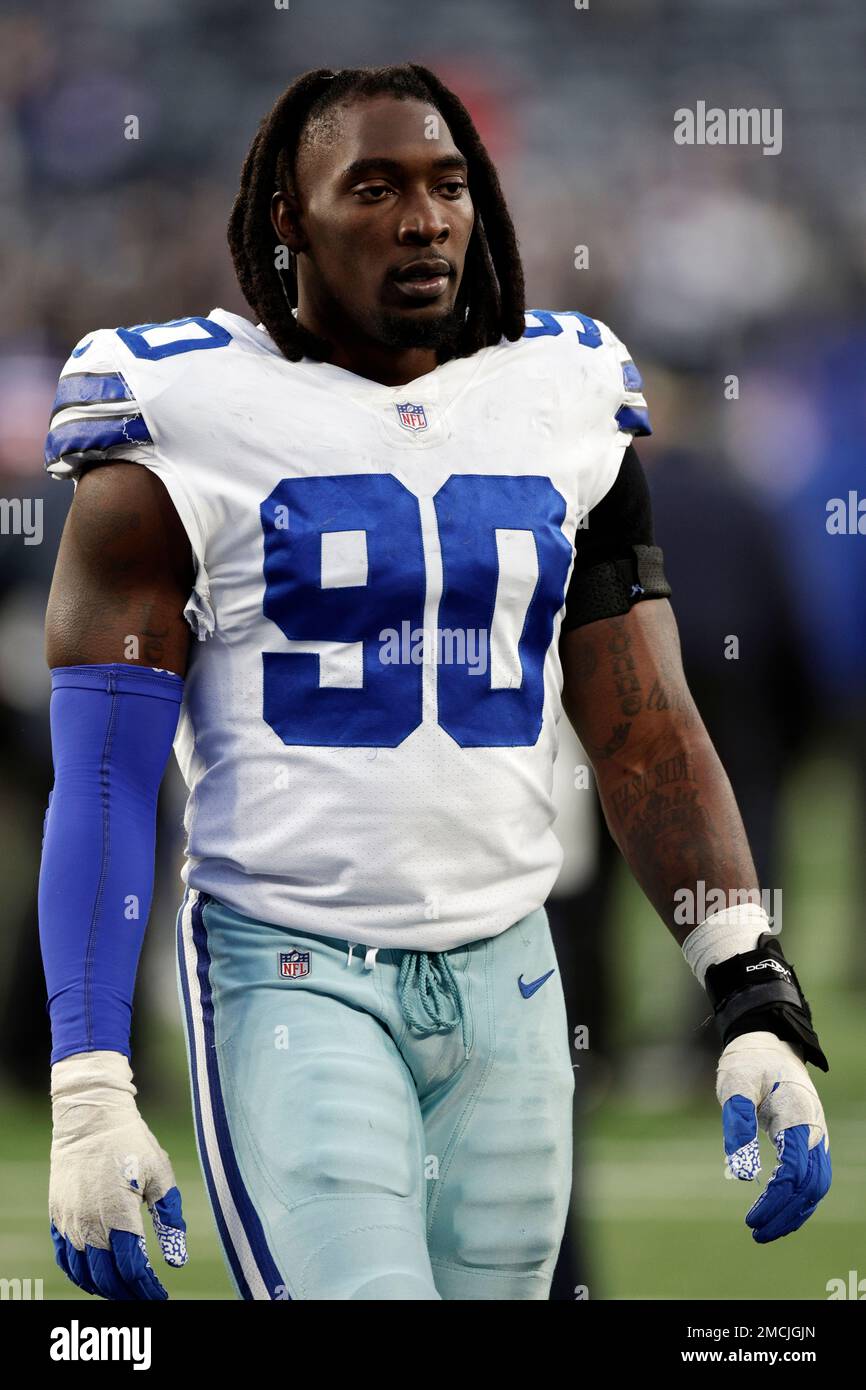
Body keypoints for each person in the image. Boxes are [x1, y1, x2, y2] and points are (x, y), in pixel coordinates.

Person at [38, 63, 830, 1302]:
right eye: (375, 187)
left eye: (449, 184)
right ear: (287, 220)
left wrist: (746, 978)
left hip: (512, 970)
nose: (425, 219)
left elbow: (642, 720)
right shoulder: (179, 410)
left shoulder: (564, 391)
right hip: (287, 965)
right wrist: (88, 1081)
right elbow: (102, 770)